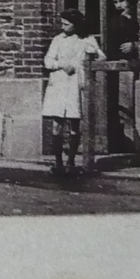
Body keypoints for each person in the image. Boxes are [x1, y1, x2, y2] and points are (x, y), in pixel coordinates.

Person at [42, 9, 102, 175]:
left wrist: (92, 52)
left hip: (76, 82)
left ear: (76, 25)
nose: (63, 27)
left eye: (66, 24)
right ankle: (58, 162)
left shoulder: (87, 39)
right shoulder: (58, 39)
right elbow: (48, 61)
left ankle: (71, 162)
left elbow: (100, 57)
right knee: (57, 122)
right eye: (62, 23)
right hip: (60, 82)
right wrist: (61, 64)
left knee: (74, 121)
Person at [105, 0, 140, 156]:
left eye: (122, 0)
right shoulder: (115, 22)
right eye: (115, 2)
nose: (118, 5)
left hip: (139, 65)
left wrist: (135, 45)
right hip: (124, 65)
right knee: (125, 106)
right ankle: (130, 146)